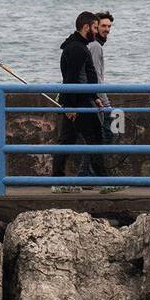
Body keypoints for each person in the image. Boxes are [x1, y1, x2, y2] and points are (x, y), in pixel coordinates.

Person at [53, 11, 105, 178]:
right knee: (94, 139)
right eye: (95, 28)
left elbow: (85, 76)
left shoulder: (77, 46)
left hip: (81, 100)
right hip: (79, 102)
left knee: (68, 140)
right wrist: (70, 105)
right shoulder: (77, 49)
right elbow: (72, 78)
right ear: (86, 27)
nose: (96, 32)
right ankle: (105, 181)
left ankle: (58, 179)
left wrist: (95, 97)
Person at [78, 12, 115, 176]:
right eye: (103, 26)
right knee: (101, 137)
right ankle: (87, 174)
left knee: (94, 139)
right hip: (96, 100)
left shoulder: (94, 45)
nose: (107, 29)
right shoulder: (95, 46)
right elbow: (94, 76)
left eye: (109, 26)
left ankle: (88, 175)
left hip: (91, 98)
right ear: (95, 27)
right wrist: (103, 101)